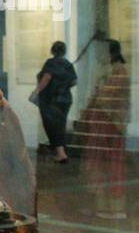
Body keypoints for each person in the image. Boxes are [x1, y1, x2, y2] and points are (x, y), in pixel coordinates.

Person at [83, 40, 130, 218]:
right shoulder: (110, 72)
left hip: (112, 127)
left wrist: (98, 90)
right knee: (100, 165)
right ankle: (101, 207)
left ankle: (115, 208)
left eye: (102, 53)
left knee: (113, 166)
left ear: (110, 54)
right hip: (102, 126)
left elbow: (106, 98)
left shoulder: (120, 73)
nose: (99, 57)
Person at [29, 41, 77, 163]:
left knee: (51, 126)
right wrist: (62, 86)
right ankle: (61, 152)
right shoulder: (68, 64)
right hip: (65, 100)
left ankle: (61, 154)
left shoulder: (51, 63)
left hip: (52, 100)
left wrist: (35, 93)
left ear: (52, 50)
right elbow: (74, 82)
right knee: (60, 126)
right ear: (64, 51)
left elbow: (46, 78)